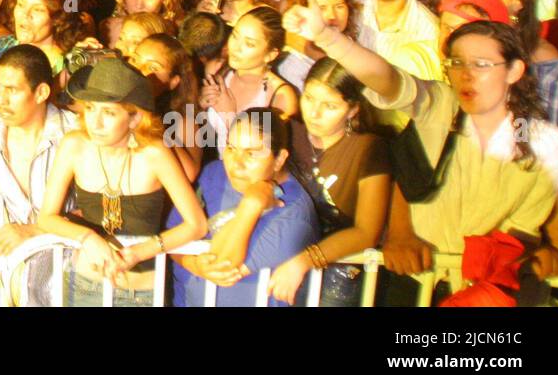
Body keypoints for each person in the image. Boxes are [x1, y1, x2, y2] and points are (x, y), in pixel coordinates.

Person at [284, 6, 558, 296]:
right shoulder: (440, 106)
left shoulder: (541, 141)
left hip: (484, 291)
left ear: (514, 71)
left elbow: (527, 227)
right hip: (413, 280)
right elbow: (388, 80)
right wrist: (328, 37)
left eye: (481, 65)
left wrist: (530, 255)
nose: (466, 75)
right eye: (457, 63)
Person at [38, 55, 207, 306]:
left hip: (141, 294)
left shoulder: (154, 152)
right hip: (83, 284)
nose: (95, 122)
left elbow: (197, 225)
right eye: (91, 108)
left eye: (108, 112)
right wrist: (88, 237)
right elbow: (46, 217)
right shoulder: (74, 145)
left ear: (134, 118)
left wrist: (138, 252)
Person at [268, 59, 392, 305]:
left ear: (353, 109)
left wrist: (304, 261)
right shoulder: (288, 131)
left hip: (341, 268)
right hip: (282, 253)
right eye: (309, 98)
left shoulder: (367, 147)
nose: (314, 113)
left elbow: (367, 231)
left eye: (330, 106)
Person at [169, 108, 320, 307]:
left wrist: (251, 205)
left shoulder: (295, 213)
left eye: (251, 154)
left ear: (279, 159)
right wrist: (194, 264)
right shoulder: (213, 173)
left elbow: (222, 265)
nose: (235, 164)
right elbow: (172, 238)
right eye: (231, 148)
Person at [0, 44, 76, 306]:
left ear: (41, 92)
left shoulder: (74, 133)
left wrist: (35, 230)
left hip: (70, 280)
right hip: (10, 284)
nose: (0, 99)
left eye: (12, 90)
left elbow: (99, 212)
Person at [199, 7, 299, 152]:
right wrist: (201, 105)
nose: (236, 47)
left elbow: (267, 155)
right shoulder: (220, 72)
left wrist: (230, 118)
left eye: (249, 44)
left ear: (270, 54)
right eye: (235, 36)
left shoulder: (280, 96)